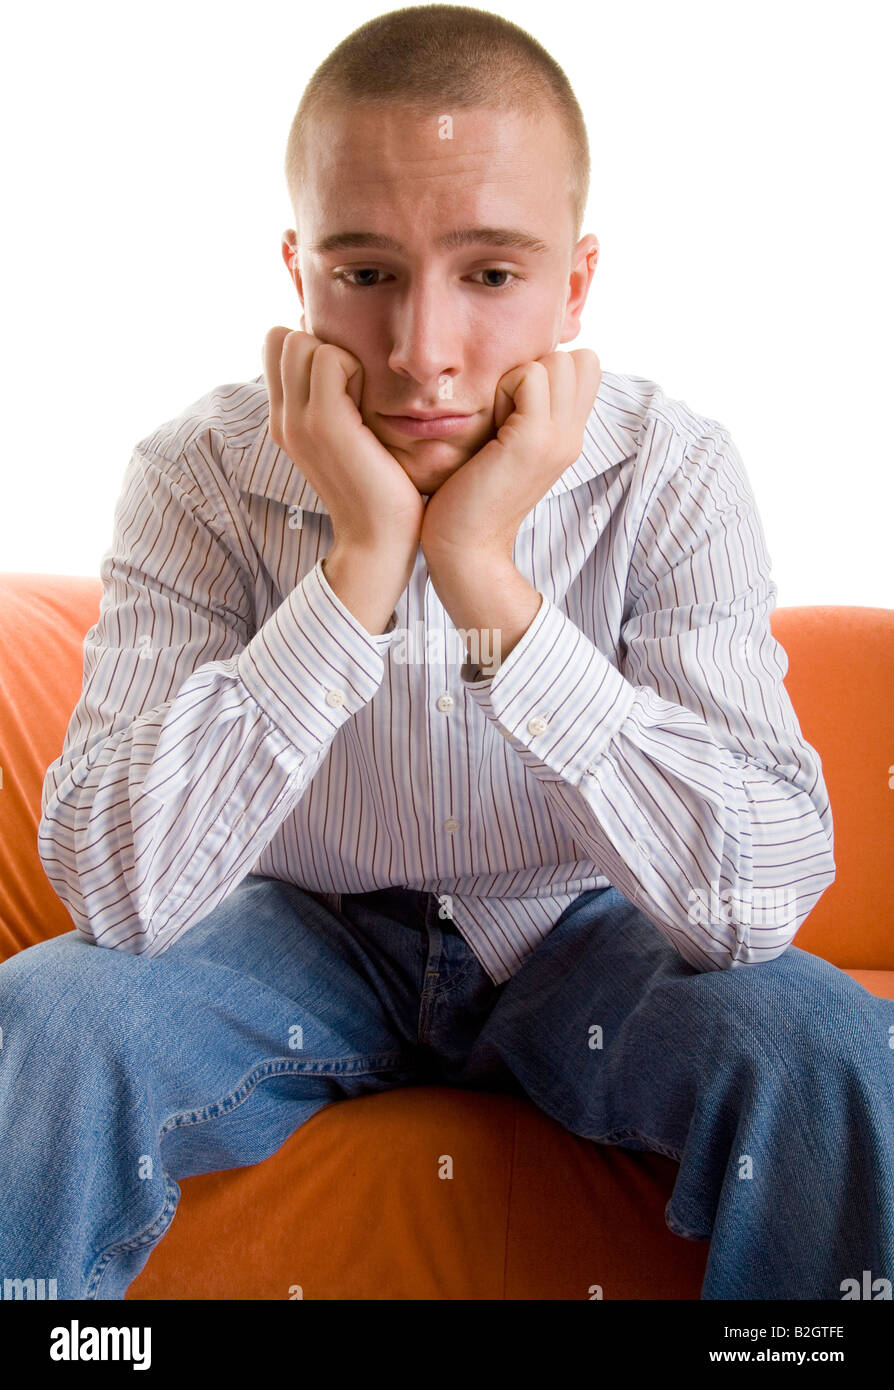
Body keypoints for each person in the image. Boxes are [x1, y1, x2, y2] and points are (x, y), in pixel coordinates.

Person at [1, 4, 891, 1302]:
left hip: (580, 928)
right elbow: (120, 897)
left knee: (818, 1039)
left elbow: (749, 907)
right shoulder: (195, 470)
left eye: (487, 275)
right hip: (292, 931)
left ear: (573, 284)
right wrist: (363, 560)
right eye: (365, 273)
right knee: (48, 1018)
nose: (421, 351)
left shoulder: (673, 469)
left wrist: (485, 582)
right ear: (298, 271)